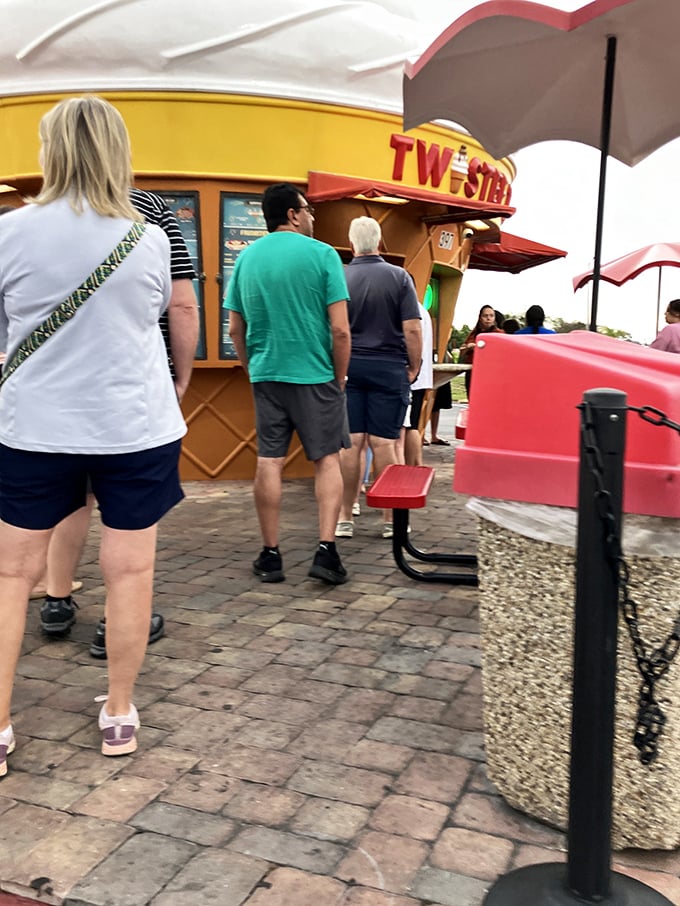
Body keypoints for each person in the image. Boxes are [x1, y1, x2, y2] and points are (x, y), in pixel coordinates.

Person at [0, 95, 187, 772]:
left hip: (33, 426)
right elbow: (149, 324)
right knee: (131, 571)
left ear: (51, 151)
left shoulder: (9, 232)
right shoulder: (148, 237)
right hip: (133, 422)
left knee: (10, 574)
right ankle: (117, 713)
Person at [35, 188, 199, 658]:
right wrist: (180, 377)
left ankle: (57, 600)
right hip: (133, 387)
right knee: (127, 510)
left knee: (74, 495)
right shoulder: (151, 208)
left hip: (60, 389)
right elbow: (183, 303)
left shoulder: (48, 215)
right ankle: (117, 619)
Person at [225, 182, 351, 585]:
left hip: (267, 373)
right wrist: (340, 375)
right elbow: (341, 330)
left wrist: (251, 368)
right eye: (308, 209)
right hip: (316, 373)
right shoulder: (323, 255)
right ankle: (326, 551)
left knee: (269, 461)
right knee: (326, 459)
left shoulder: (245, 259)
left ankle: (270, 553)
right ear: (293, 214)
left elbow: (235, 328)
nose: (312, 215)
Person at [335, 216, 422, 540]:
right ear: (380, 241)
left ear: (352, 242)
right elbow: (412, 328)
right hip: (389, 367)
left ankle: (345, 517)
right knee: (385, 443)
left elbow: (333, 328)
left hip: (350, 367)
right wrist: (413, 366)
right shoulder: (399, 277)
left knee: (351, 444)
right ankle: (390, 520)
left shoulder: (340, 277)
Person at [404, 303, 434, 465]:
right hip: (421, 377)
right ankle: (416, 464)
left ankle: (412, 466)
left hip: (413, 378)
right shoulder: (423, 310)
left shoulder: (411, 311)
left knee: (409, 426)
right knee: (413, 425)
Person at [458, 304, 503, 398]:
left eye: (491, 316)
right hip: (473, 374)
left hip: (491, 375)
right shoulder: (473, 334)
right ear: (480, 318)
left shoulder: (500, 334)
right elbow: (461, 354)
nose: (488, 318)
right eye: (485, 316)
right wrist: (468, 348)